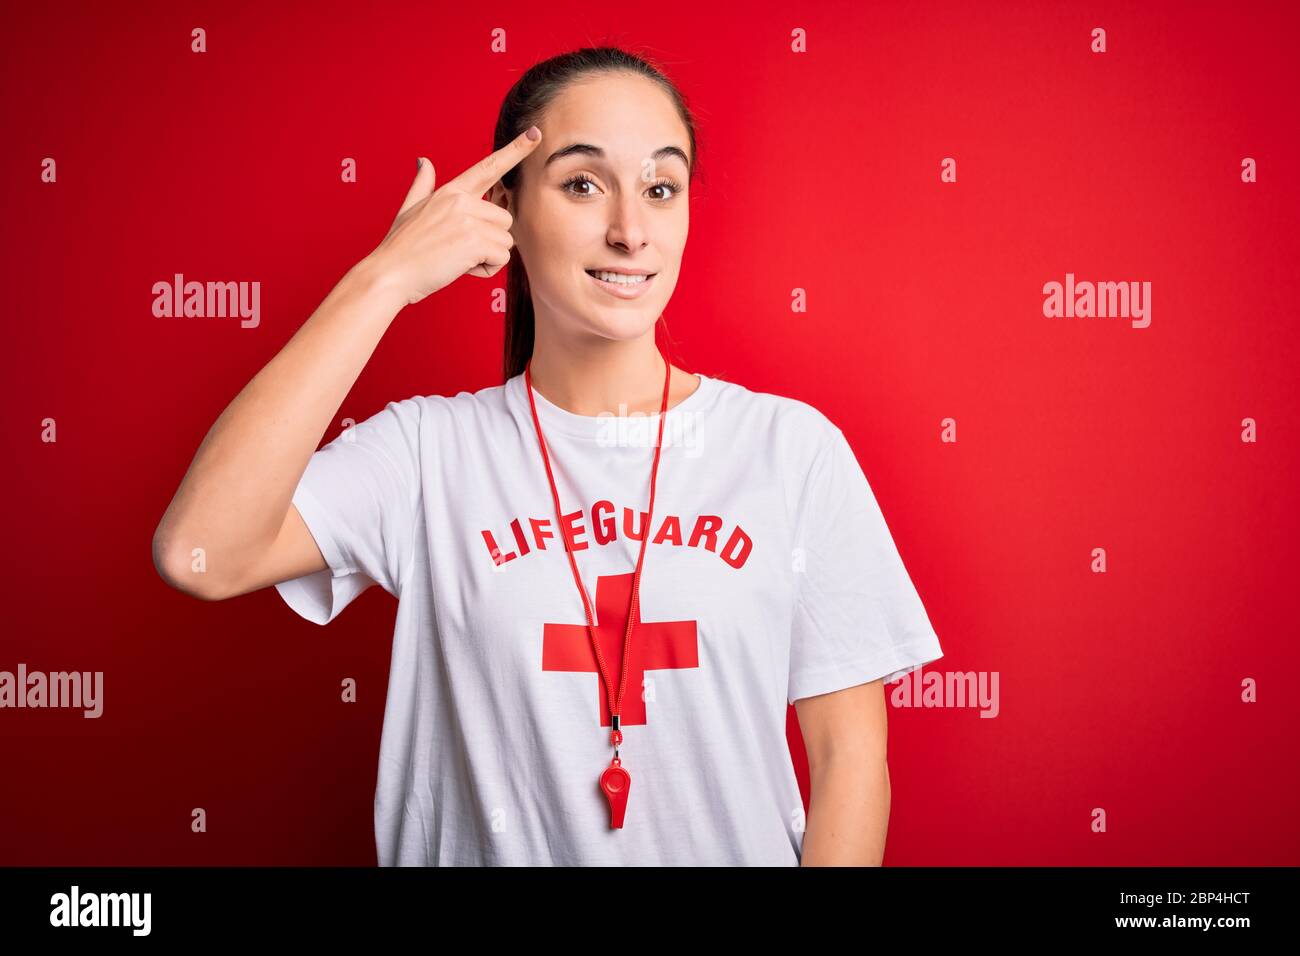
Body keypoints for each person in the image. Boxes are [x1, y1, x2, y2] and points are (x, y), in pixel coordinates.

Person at [152, 46, 943, 866]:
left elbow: (850, 759)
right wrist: (383, 279)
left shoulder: (791, 449)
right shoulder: (428, 452)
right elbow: (198, 553)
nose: (630, 231)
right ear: (504, 210)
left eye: (661, 189)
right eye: (582, 184)